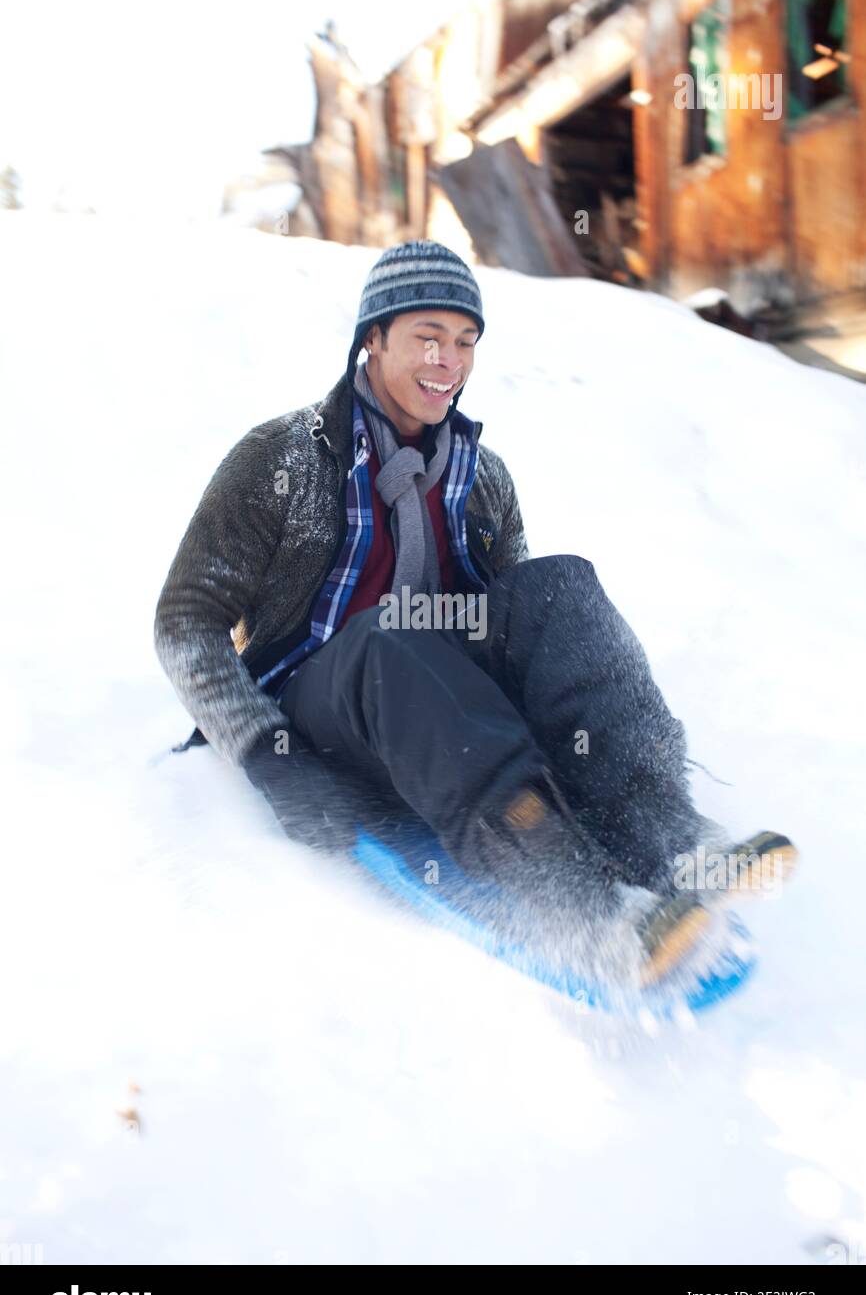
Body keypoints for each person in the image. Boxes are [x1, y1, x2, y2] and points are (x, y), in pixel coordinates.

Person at [154, 240, 795, 994]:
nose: (448, 361)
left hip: (436, 718)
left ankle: (664, 831)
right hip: (322, 707)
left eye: (465, 342)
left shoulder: (480, 476)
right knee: (388, 637)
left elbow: (523, 631)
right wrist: (268, 752)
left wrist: (572, 744)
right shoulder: (282, 459)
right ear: (373, 338)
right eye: (427, 336)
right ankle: (581, 906)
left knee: (559, 586)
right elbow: (185, 620)